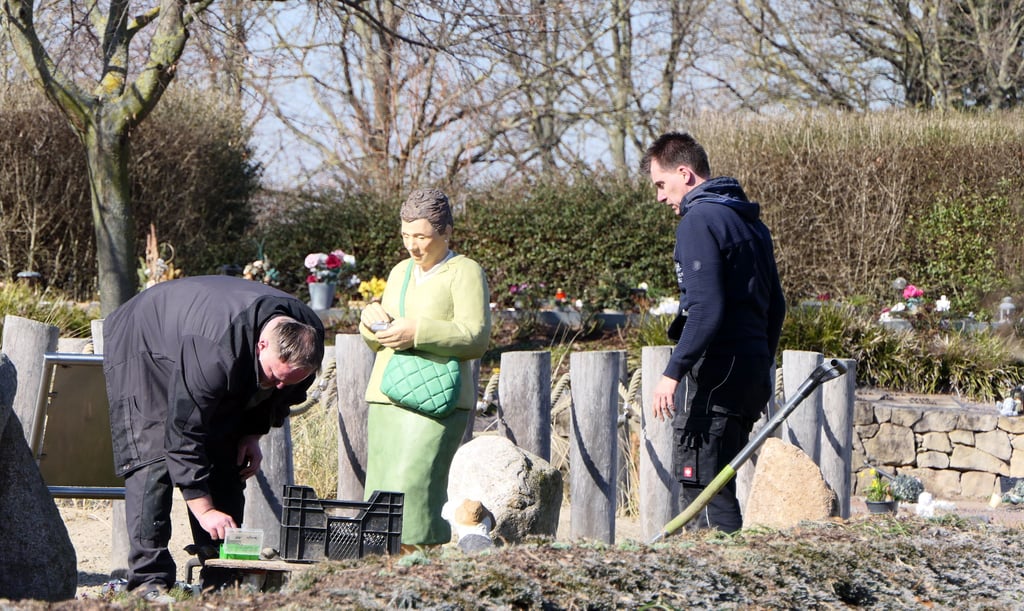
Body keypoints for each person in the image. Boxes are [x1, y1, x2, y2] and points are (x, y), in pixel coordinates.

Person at [102, 275, 325, 597]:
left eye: (289, 380)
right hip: (147, 342)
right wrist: (204, 510)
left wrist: (252, 433)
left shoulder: (307, 340)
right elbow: (184, 435)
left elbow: (281, 394)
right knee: (153, 460)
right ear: (262, 345)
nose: (279, 385)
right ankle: (149, 581)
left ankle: (222, 576)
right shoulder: (214, 355)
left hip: (213, 342)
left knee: (228, 454)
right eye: (275, 375)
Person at [641, 132, 786, 533]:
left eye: (661, 184)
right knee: (720, 483)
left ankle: (718, 588)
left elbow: (705, 310)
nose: (659, 197)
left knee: (703, 492)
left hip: (714, 376)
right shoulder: (749, 222)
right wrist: (760, 365)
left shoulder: (699, 220)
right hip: (748, 374)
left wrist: (672, 373)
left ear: (684, 174)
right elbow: (777, 306)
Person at [359, 188, 491, 548]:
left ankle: (422, 567)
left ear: (445, 231)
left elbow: (475, 337)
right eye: (405, 236)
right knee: (382, 488)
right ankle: (380, 567)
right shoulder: (400, 271)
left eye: (420, 236)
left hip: (438, 398)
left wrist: (418, 332)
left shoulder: (465, 272)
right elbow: (378, 339)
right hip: (389, 392)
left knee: (417, 487)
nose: (412, 247)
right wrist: (370, 322)